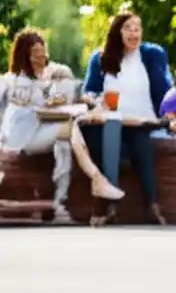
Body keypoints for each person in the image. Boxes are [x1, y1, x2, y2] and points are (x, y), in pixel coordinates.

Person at [0, 29, 125, 221]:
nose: (40, 59)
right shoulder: (11, 80)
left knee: (65, 141)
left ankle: (61, 201)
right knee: (69, 129)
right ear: (25, 55)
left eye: (43, 54)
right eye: (35, 55)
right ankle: (97, 179)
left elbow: (64, 86)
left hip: (37, 131)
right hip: (19, 136)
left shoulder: (46, 77)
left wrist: (68, 94)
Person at [82, 12, 175, 226]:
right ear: (118, 32)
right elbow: (89, 92)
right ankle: (110, 205)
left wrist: (170, 113)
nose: (134, 33)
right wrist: (97, 101)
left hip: (141, 120)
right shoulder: (101, 58)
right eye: (128, 28)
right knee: (100, 136)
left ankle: (151, 205)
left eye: (137, 28)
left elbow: (164, 85)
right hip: (111, 120)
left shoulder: (152, 54)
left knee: (141, 141)